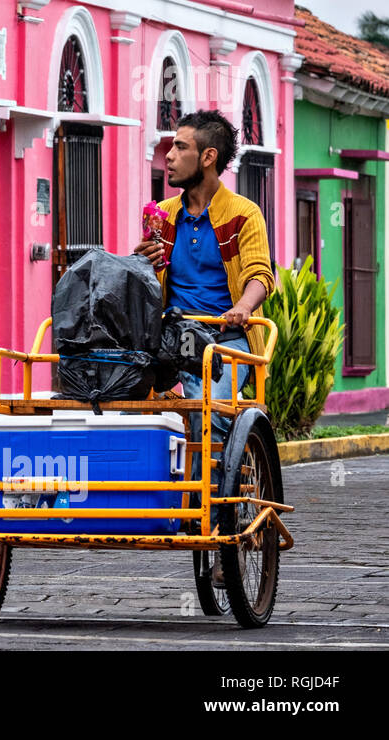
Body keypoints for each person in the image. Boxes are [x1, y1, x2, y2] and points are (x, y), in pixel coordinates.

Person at [133, 110, 274, 586]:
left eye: (180, 148)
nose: (168, 157)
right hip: (171, 339)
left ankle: (223, 523)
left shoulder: (242, 214)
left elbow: (260, 276)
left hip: (225, 338)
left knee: (213, 416)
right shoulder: (163, 216)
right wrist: (143, 260)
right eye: (169, 149)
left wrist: (241, 307)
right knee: (115, 393)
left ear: (208, 157)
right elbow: (147, 285)